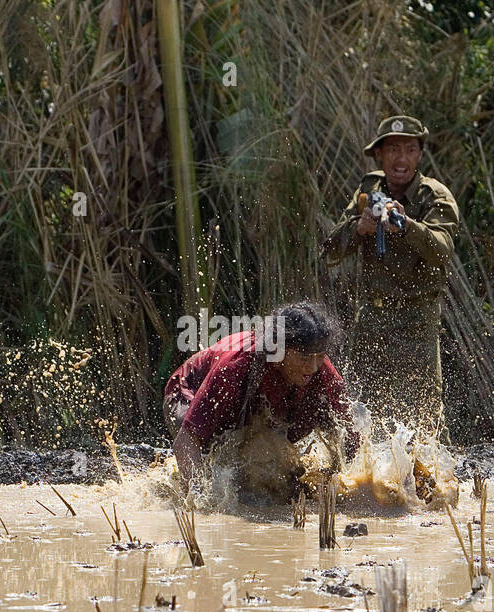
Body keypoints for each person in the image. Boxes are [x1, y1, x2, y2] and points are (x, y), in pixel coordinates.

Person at [323, 115, 459, 433]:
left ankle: (431, 476)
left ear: (420, 155)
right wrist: (359, 228)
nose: (401, 159)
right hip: (372, 313)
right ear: (380, 156)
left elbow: (443, 250)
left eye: (410, 149)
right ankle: (364, 477)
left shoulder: (434, 196)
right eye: (393, 150)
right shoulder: (368, 188)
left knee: (425, 411)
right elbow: (331, 251)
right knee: (358, 405)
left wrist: (407, 226)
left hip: (417, 315)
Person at [166, 301, 358, 487]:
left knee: (275, 467)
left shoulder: (322, 373)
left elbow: (350, 436)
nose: (313, 367)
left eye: (320, 357)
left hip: (263, 408)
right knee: (227, 461)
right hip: (189, 390)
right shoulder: (236, 368)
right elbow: (186, 441)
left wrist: (351, 484)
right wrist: (200, 501)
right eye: (304, 358)